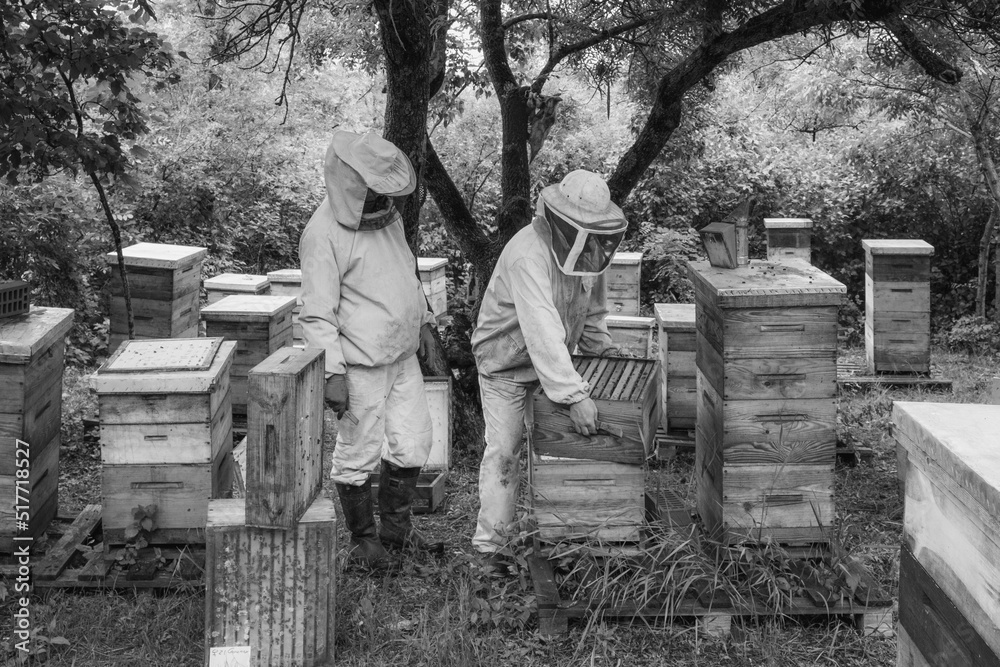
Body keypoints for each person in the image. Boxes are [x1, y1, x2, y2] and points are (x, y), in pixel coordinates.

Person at [299, 129, 442, 568]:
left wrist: (426, 325)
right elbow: (317, 314)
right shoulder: (322, 235)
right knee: (357, 453)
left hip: (401, 357)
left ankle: (396, 536)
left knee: (415, 442)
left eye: (386, 193)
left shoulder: (388, 218)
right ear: (352, 186)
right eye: (375, 194)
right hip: (360, 365)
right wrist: (333, 374)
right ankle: (364, 543)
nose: (384, 202)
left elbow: (407, 278)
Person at [470, 169, 627, 559]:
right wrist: (574, 395)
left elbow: (591, 313)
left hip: (553, 364)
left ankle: (555, 536)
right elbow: (540, 327)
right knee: (504, 453)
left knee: (554, 452)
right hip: (506, 363)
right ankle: (491, 551)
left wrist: (603, 349)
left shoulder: (589, 251)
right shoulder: (528, 253)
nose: (589, 238)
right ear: (559, 218)